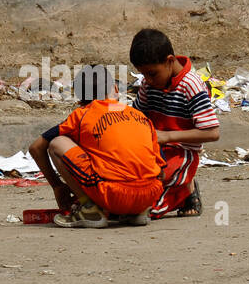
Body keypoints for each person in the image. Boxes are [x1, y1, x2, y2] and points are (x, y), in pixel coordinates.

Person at [28, 65, 164, 228]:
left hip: (112, 195)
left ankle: (89, 209)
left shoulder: (81, 114)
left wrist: (58, 186)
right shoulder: (139, 115)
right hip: (150, 195)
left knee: (57, 143)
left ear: (79, 99)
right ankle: (136, 213)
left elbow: (36, 147)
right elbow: (161, 168)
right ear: (115, 89)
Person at [129, 28, 219, 218]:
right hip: (153, 151)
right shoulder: (148, 85)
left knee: (145, 210)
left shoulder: (191, 85)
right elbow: (136, 117)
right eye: (144, 75)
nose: (148, 80)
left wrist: (168, 136)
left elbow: (212, 132)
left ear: (169, 61)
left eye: (152, 73)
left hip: (182, 153)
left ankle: (186, 189)